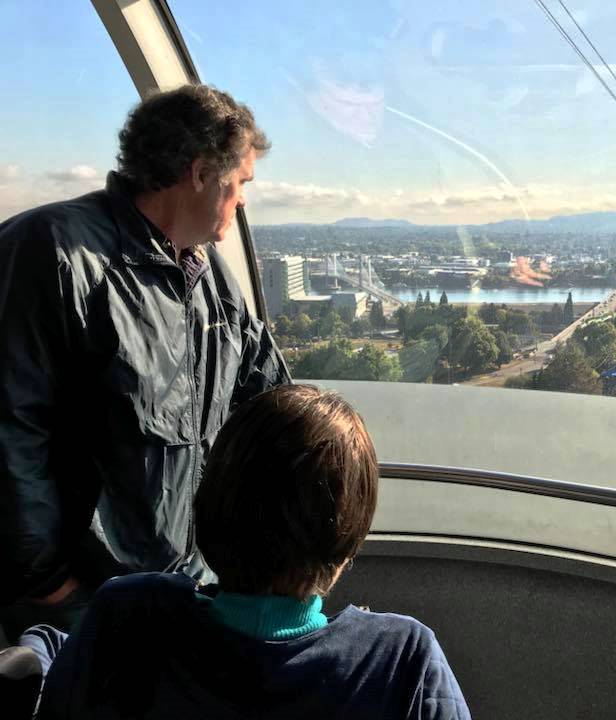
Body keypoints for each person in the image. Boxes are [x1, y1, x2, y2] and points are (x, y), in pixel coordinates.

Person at [0, 84, 290, 641]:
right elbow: (10, 429)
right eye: (242, 183)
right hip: (81, 607)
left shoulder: (209, 281)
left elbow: (269, 394)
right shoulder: (54, 253)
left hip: (181, 597)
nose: (244, 200)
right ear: (202, 173)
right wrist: (51, 588)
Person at [30, 385, 470, 719]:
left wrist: (40, 645)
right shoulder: (401, 660)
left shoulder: (127, 615)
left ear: (212, 503)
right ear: (344, 545)